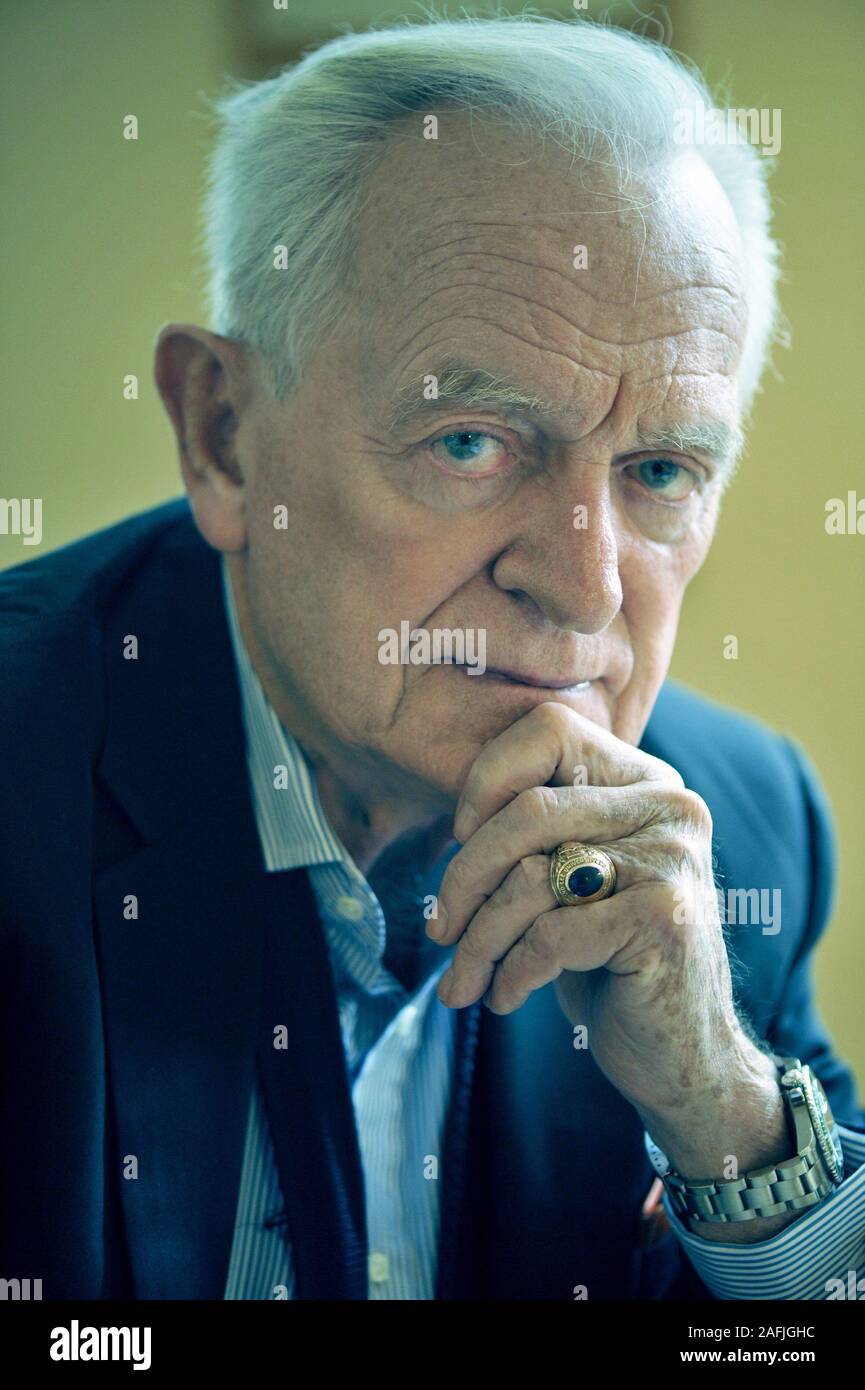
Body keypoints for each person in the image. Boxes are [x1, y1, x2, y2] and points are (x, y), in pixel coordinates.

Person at [1, 14, 863, 1301]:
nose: (581, 588)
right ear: (225, 435)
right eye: (471, 442)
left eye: (660, 471)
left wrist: (720, 1112)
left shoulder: (739, 832)